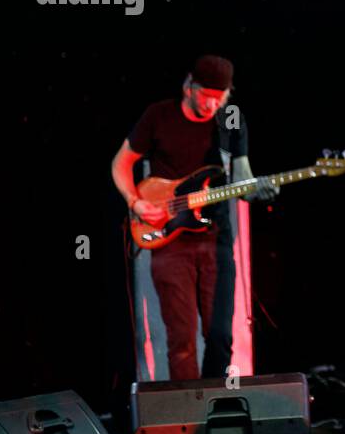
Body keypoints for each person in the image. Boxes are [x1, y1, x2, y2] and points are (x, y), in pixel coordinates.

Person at [110, 55, 277, 381]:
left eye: (221, 97)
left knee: (220, 336)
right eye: (207, 96)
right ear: (189, 86)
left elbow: (243, 181)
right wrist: (135, 202)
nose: (213, 104)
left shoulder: (230, 119)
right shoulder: (158, 115)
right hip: (171, 241)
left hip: (216, 239)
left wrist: (260, 189)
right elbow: (121, 163)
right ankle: (188, 419)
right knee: (182, 341)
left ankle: (213, 406)